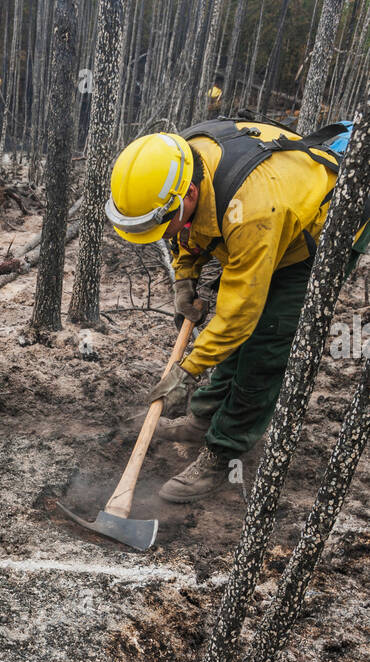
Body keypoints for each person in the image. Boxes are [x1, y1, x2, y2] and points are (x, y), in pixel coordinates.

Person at [104, 119, 368, 502]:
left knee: (265, 341)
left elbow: (238, 313)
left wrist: (187, 371)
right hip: (274, 219)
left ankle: (222, 451)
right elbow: (185, 231)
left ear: (189, 194)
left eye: (160, 224)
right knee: (236, 336)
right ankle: (202, 419)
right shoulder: (183, 161)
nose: (160, 235)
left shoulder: (251, 212)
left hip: (322, 235)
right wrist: (184, 278)